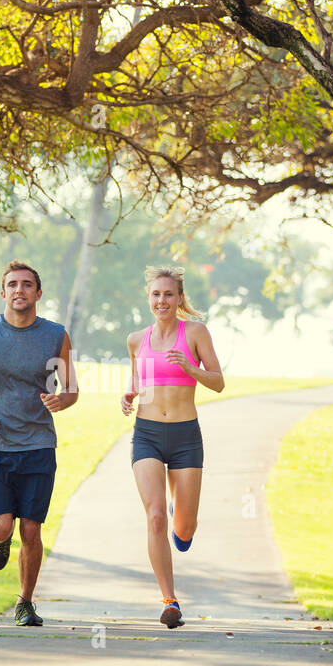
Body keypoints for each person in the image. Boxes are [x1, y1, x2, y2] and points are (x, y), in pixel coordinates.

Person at [0, 261, 78, 627]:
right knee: (1, 526)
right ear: (3, 292)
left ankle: (24, 603)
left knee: (31, 530)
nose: (19, 290)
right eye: (12, 284)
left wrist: (63, 400)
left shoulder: (56, 335)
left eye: (27, 285)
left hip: (39, 446)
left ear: (38, 294)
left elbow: (71, 388)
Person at [122, 265, 224, 629]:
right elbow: (138, 379)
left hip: (184, 438)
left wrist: (191, 368)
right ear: (148, 298)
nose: (161, 300)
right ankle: (169, 600)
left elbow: (218, 382)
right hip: (147, 433)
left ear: (179, 298)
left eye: (168, 294)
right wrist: (130, 394)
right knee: (154, 517)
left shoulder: (195, 332)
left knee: (184, 526)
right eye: (155, 294)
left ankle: (182, 525)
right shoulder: (137, 339)